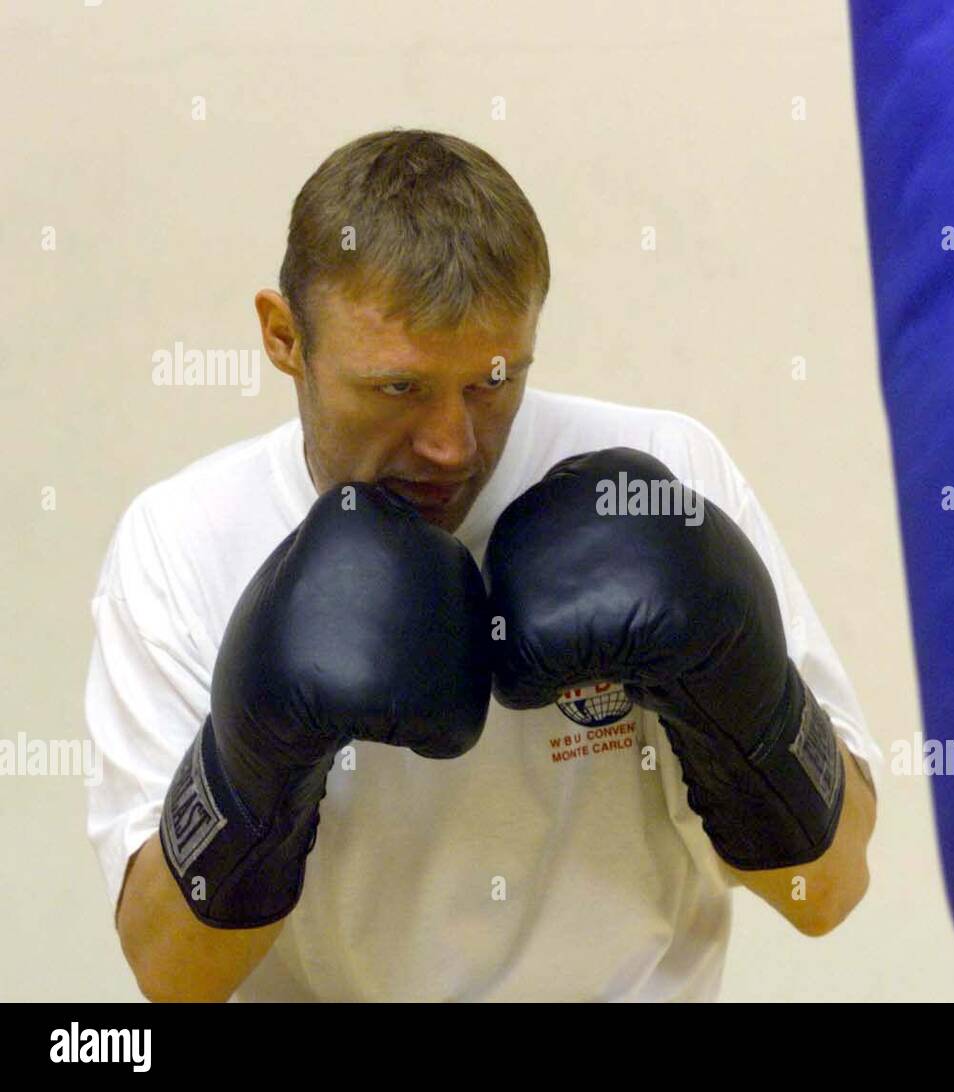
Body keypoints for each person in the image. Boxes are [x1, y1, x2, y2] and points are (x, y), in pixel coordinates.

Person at [84, 129, 882, 1002]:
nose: (451, 445)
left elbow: (826, 893)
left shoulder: (662, 478)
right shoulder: (184, 539)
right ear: (283, 337)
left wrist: (732, 700)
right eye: (399, 388)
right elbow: (172, 974)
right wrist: (258, 763)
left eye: (493, 384)